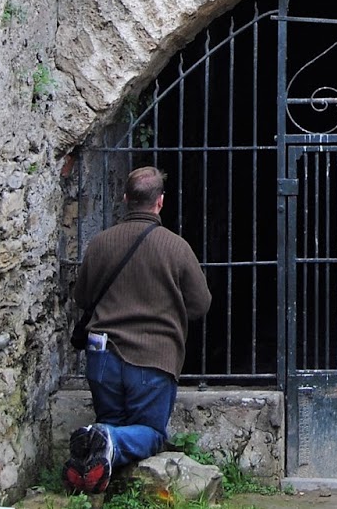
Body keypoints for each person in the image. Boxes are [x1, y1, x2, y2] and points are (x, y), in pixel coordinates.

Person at [63, 166, 211, 494]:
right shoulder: (176, 248)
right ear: (160, 202)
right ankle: (107, 438)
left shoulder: (100, 244)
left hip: (102, 355)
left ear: (126, 198)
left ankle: (100, 449)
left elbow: (83, 297)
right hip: (154, 355)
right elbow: (201, 305)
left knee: (110, 425)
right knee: (150, 432)